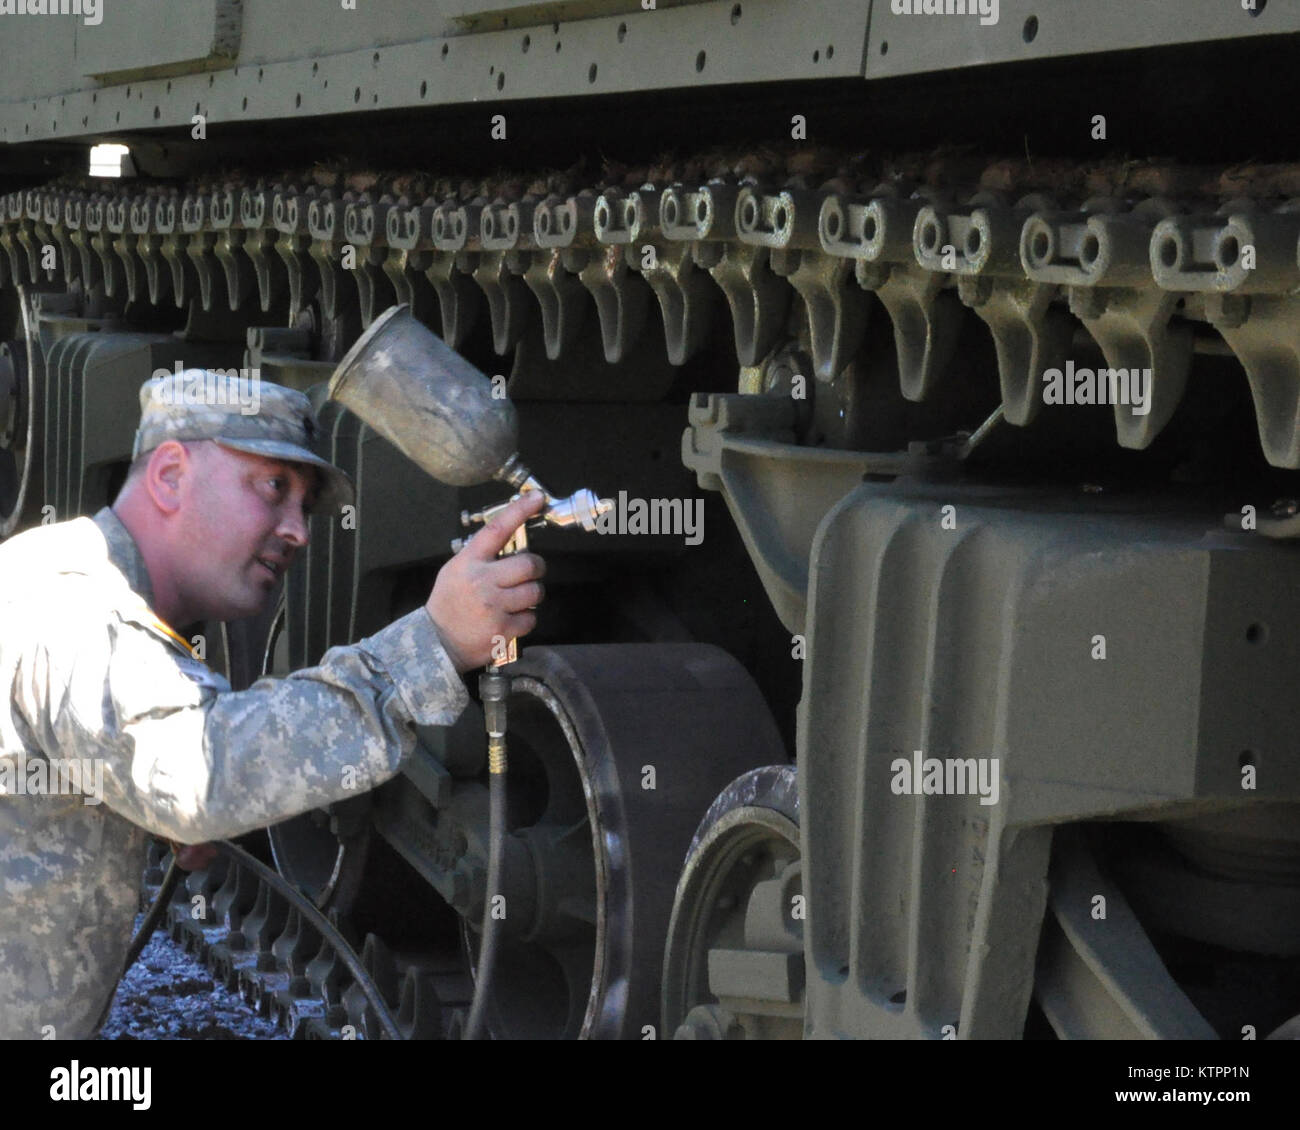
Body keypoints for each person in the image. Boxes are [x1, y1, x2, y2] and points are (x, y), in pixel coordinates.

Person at [0, 372, 547, 1040]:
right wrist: (429, 646)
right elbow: (197, 776)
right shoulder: (77, 607)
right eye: (272, 487)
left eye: (305, 506)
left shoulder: (60, 572)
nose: (298, 532)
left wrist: (124, 795)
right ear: (170, 476)